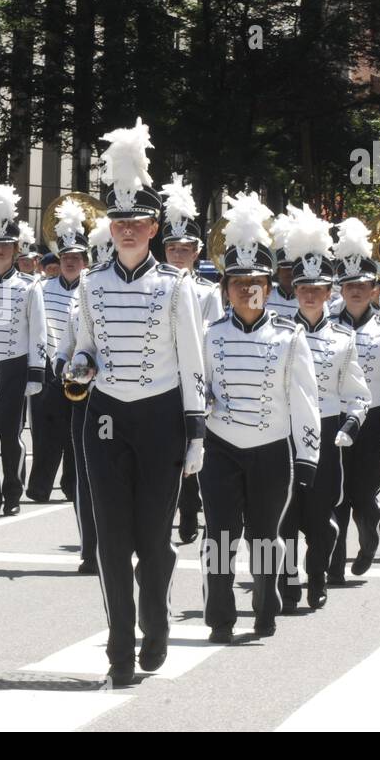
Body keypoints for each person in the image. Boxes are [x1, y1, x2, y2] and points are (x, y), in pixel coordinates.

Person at [64, 120, 206, 683]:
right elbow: (84, 348)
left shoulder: (177, 285)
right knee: (110, 539)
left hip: (161, 417)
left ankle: (156, 623)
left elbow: (194, 358)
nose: (126, 231)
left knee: (154, 541)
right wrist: (77, 367)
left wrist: (195, 428)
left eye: (136, 222)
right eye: (118, 222)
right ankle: (119, 646)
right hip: (105, 418)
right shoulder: (91, 285)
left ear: (154, 228)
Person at [199, 191, 320, 644]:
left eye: (255, 282)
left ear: (269, 288)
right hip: (221, 448)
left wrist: (307, 455)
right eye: (236, 282)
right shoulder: (209, 335)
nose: (245, 290)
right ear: (226, 288)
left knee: (265, 536)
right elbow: (196, 391)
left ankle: (265, 606)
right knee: (220, 535)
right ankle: (219, 611)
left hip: (271, 450)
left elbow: (305, 399)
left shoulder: (290, 337)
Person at [276, 205, 370, 612]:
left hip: (327, 435)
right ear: (294, 290)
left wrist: (350, 423)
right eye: (303, 288)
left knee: (319, 516)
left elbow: (359, 394)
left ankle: (317, 577)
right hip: (282, 436)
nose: (310, 295)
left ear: (330, 292)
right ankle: (283, 581)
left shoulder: (344, 340)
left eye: (318, 289)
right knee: (280, 519)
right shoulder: (278, 333)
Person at [329, 218, 380, 578]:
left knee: (363, 493)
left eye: (362, 285)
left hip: (373, 420)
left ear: (374, 288)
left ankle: (370, 532)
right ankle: (331, 564)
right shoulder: (327, 325)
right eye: (348, 286)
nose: (355, 292)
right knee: (334, 494)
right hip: (334, 416)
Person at [0, 184, 47, 517]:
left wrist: (35, 371)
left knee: (11, 437)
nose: (0, 250)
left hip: (15, 369)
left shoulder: (29, 286)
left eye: (6, 245)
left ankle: (12, 495)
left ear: (17, 248)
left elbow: (38, 331)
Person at [159, 176, 223, 544]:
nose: (178, 255)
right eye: (172, 249)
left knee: (194, 443)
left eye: (184, 249)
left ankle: (189, 508)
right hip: (164, 375)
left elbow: (213, 339)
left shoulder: (206, 291)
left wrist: (210, 383)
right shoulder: (156, 286)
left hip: (195, 376)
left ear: (196, 252)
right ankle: (173, 506)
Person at [26, 199, 86, 505]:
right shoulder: (41, 287)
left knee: (76, 435)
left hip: (79, 372)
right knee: (45, 434)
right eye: (65, 257)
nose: (70, 262)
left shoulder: (91, 290)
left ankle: (72, 484)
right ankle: (39, 487)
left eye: (76, 257)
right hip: (49, 369)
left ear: (85, 260)